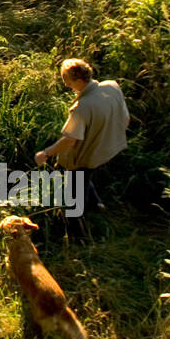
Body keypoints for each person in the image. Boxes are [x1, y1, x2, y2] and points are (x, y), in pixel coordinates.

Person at [34, 59, 129, 237]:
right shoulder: (112, 87)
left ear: (78, 80)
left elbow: (70, 140)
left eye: (67, 80)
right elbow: (125, 119)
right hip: (108, 149)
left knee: (74, 196)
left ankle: (79, 237)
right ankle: (97, 205)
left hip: (87, 157)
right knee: (84, 176)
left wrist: (45, 153)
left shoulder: (81, 108)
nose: (66, 84)